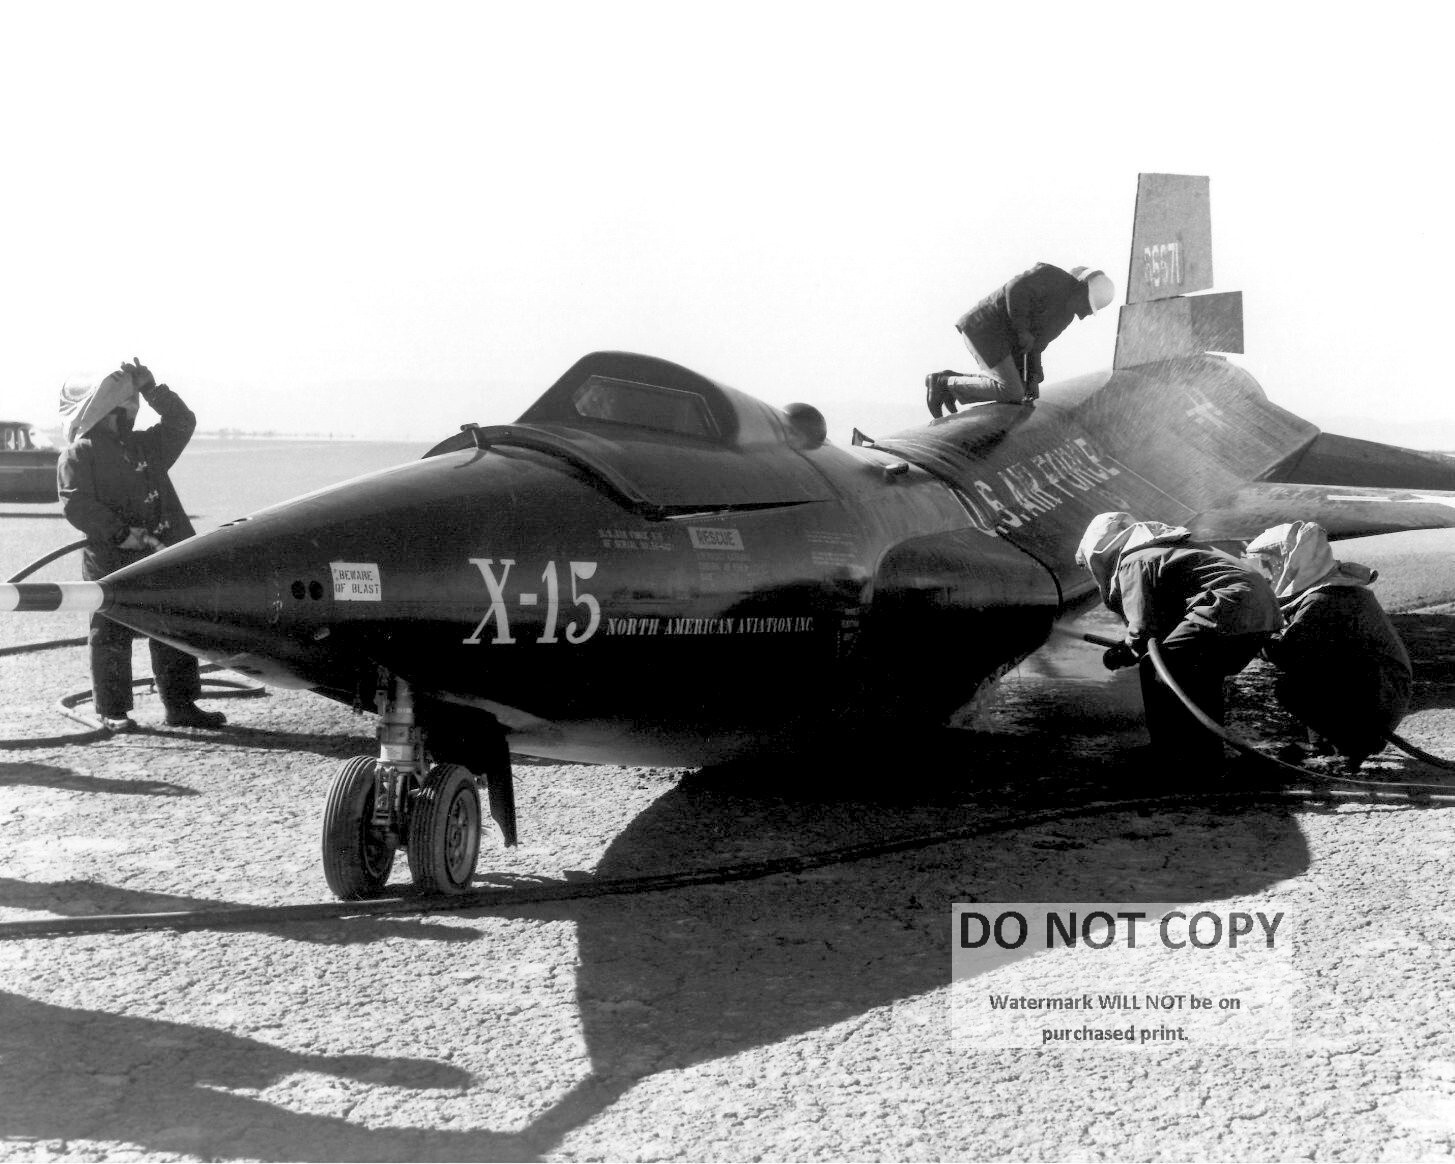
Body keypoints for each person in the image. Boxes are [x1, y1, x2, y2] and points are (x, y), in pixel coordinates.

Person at [56, 359, 226, 733]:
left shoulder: (146, 445)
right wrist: (121, 534)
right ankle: (112, 710)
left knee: (173, 628)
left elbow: (182, 421)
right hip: (112, 559)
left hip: (162, 552)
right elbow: (77, 503)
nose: (130, 409)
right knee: (111, 631)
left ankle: (180, 705)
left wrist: (154, 389)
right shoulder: (79, 454)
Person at [1075, 512, 1282, 774]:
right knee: (1200, 674)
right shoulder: (1167, 551)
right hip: (1262, 610)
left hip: (1227, 607)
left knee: (1157, 667)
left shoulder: (1133, 561)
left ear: (1101, 552)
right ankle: (1206, 756)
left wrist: (1125, 651)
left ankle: (1167, 753)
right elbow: (1164, 625)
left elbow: (1142, 629)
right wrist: (1137, 644)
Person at [1244, 521, 1411, 769]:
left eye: (1268, 564)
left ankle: (1352, 746)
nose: (1266, 574)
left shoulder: (1326, 599)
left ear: (1290, 561)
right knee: (1310, 672)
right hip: (1379, 690)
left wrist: (1249, 632)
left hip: (1379, 696)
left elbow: (1287, 651)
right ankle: (1329, 744)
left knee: (1293, 687)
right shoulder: (1328, 590)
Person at [926, 263, 1116, 417]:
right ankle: (945, 383)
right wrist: (1022, 329)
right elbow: (1015, 289)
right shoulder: (1053, 277)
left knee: (1020, 390)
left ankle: (950, 383)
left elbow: (1036, 346)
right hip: (985, 328)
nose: (1087, 313)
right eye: (1088, 304)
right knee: (1012, 391)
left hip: (1003, 340)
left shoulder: (1063, 317)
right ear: (1080, 288)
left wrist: (1034, 376)